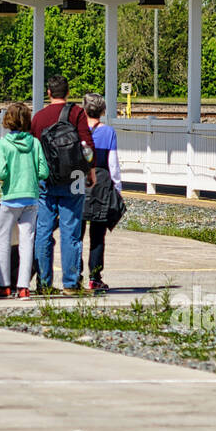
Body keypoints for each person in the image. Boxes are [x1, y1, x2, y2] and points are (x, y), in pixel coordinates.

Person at [30, 74, 95, 295]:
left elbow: (34, 150)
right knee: (71, 230)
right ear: (67, 93)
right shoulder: (76, 113)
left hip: (45, 179)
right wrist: (91, 170)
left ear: (48, 93)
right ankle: (71, 283)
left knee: (43, 230)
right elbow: (86, 145)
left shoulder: (38, 117)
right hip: (75, 178)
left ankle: (44, 283)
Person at [0, 103, 48, 299]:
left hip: (11, 198)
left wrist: (0, 174)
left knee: (3, 240)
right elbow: (43, 172)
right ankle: (24, 286)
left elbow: (2, 172)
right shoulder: (35, 143)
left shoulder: (4, 144)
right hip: (31, 197)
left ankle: (3, 284)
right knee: (26, 241)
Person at [82, 93, 122, 293]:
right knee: (98, 234)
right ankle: (94, 277)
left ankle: (74, 275)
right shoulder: (109, 132)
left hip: (79, 183)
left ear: (84, 109)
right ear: (103, 111)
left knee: (76, 234)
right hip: (102, 185)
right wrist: (118, 188)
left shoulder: (77, 130)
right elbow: (113, 165)